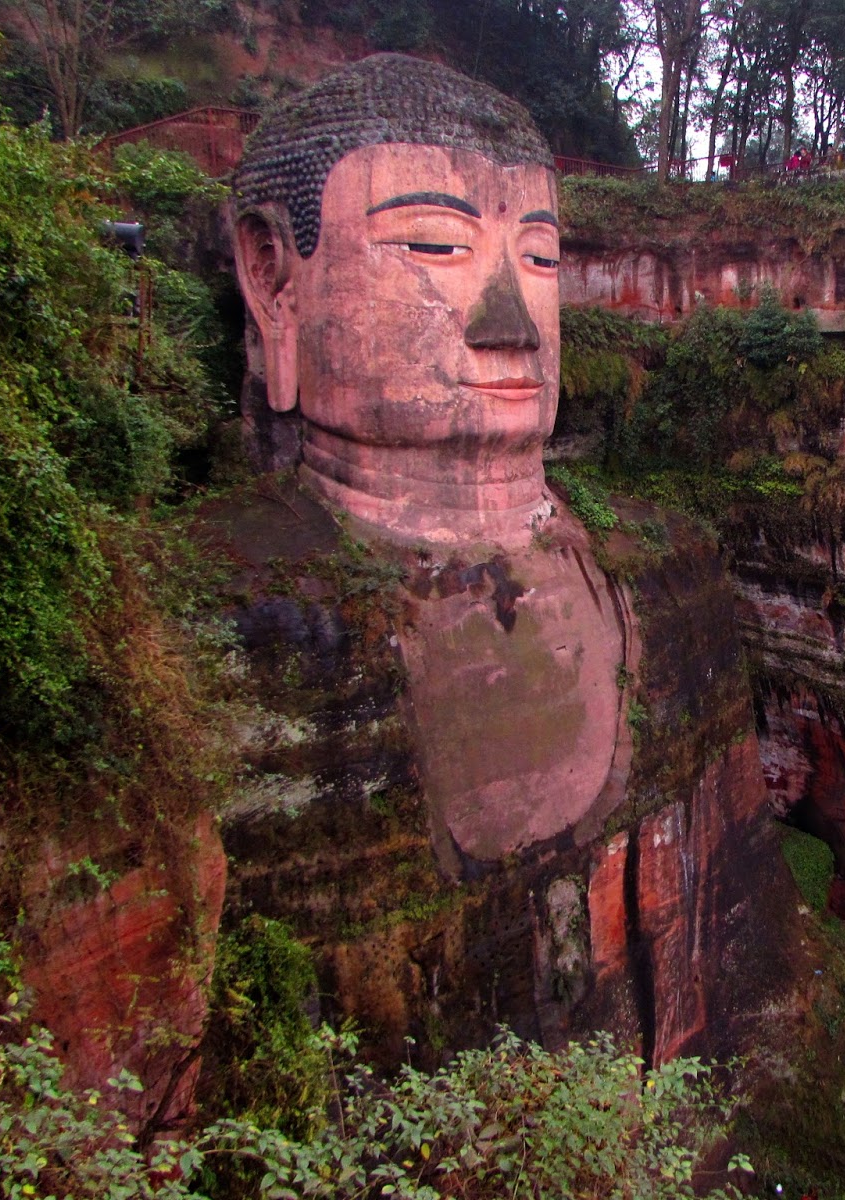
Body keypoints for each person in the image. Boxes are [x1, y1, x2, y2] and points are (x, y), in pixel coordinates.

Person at [232, 54, 632, 866]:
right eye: (435, 243)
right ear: (275, 281)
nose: (511, 324)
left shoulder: (658, 575)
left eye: (540, 258)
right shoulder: (235, 649)